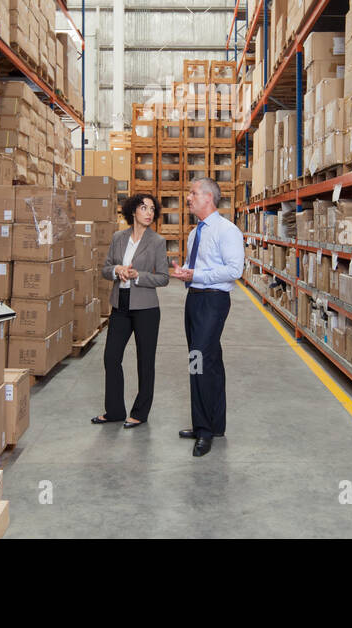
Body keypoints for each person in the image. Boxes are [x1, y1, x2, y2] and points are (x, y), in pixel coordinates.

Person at [169, 177, 244, 457]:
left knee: (198, 360)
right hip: (195, 299)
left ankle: (203, 430)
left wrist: (197, 275)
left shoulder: (227, 231)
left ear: (209, 197)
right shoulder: (194, 233)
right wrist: (185, 273)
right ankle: (214, 423)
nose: (188, 198)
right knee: (208, 360)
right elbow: (195, 266)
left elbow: (234, 270)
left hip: (213, 301)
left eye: (193, 193)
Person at [92, 192, 169, 428]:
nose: (149, 213)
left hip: (146, 308)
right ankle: (114, 410)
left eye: (152, 209)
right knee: (111, 358)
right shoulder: (118, 237)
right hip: (120, 304)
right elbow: (105, 269)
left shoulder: (157, 242)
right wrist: (117, 269)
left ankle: (140, 412)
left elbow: (163, 278)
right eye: (144, 208)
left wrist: (138, 276)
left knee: (145, 362)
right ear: (133, 211)